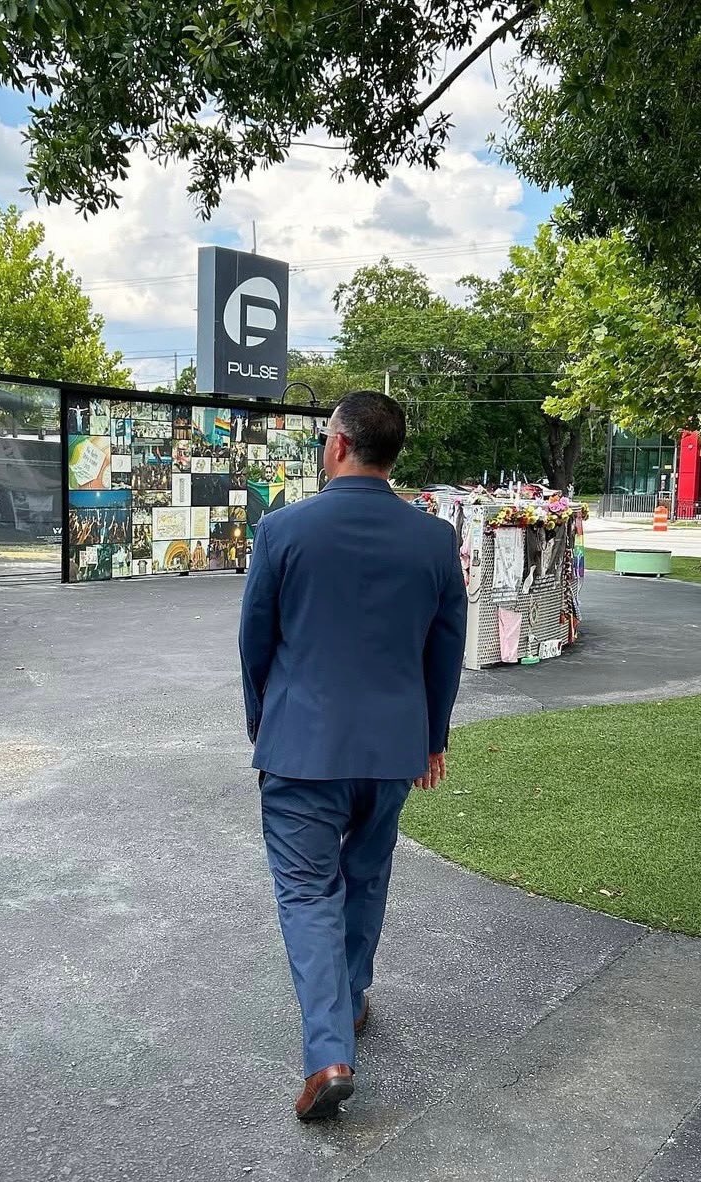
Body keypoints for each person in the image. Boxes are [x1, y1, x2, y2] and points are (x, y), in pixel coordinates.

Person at [238, 390, 467, 1122]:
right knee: (365, 874)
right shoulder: (433, 540)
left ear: (336, 444)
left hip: (301, 746)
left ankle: (329, 1052)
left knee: (307, 894)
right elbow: (445, 651)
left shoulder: (282, 531)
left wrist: (261, 722)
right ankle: (353, 993)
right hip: (392, 748)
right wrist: (431, 738)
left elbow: (256, 642)